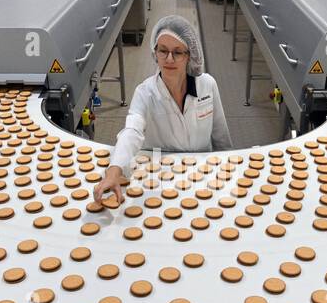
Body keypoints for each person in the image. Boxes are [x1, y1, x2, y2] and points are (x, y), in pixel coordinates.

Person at [93, 15, 232, 204]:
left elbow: (221, 136)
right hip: (159, 175)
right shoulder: (145, 92)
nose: (169, 59)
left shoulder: (207, 85)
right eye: (163, 51)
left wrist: (228, 173)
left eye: (177, 52)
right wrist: (115, 169)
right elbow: (132, 130)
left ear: (189, 55)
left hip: (203, 171)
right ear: (154, 53)